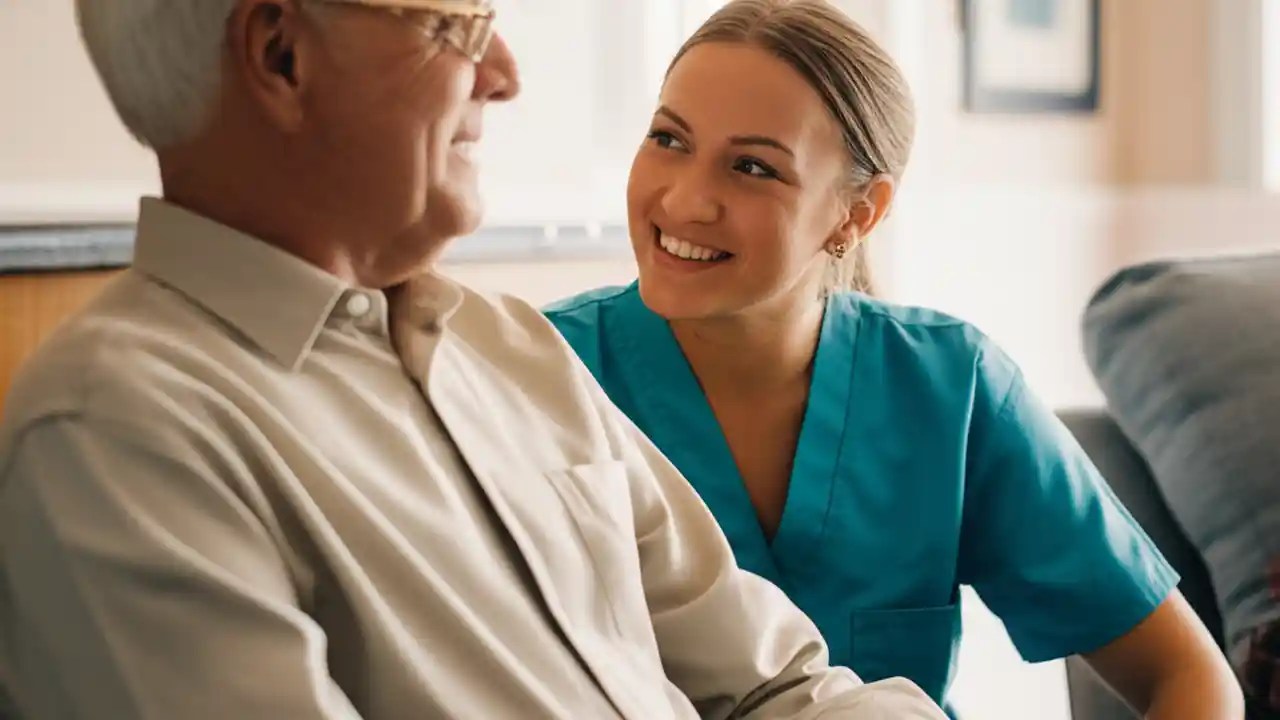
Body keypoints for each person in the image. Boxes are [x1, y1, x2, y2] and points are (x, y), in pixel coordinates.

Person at [0, 1, 949, 718]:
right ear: (280, 55)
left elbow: (779, 689)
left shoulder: (513, 348)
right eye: (454, 27)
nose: (502, 74)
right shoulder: (117, 437)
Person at [545, 0, 1244, 716]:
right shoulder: (537, 376)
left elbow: (1186, 675)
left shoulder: (948, 387)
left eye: (752, 167)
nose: (688, 199)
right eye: (668, 138)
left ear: (859, 212)